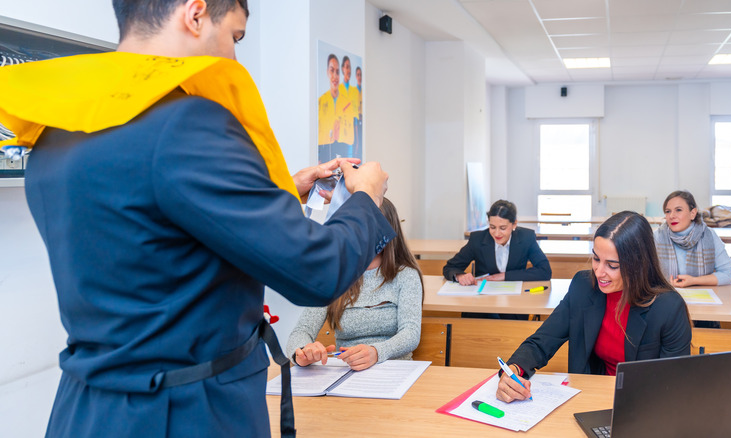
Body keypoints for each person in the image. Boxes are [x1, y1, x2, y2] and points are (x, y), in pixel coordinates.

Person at [1, 1, 393, 437]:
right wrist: (367, 198)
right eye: (235, 36)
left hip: (89, 407)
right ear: (195, 14)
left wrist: (278, 190)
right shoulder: (189, 122)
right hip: (185, 412)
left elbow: (155, 225)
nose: (234, 57)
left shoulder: (57, 130)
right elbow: (317, 271)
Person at [496, 211, 692, 403]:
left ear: (639, 265)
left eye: (612, 265)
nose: (599, 272)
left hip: (643, 403)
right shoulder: (584, 286)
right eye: (596, 259)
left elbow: (673, 384)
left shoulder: (668, 307)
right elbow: (542, 341)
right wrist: (514, 369)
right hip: (590, 396)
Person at [286, 198, 423, 371]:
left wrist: (376, 352)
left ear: (388, 230)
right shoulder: (334, 275)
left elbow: (410, 333)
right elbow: (301, 331)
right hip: (347, 373)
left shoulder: (405, 275)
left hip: (393, 369)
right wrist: (303, 352)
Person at [443, 200, 552, 284]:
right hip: (482, 303)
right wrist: (460, 276)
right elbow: (450, 267)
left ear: (514, 224)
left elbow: (544, 271)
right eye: (492, 227)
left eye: (503, 228)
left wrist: (504, 276)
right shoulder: (478, 239)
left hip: (514, 302)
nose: (497, 233)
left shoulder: (526, 238)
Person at [655, 190, 731, 287]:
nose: (672, 216)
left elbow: (728, 274)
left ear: (692, 213)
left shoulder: (709, 235)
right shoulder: (657, 237)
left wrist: (694, 280)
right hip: (666, 294)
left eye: (678, 210)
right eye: (668, 211)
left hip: (702, 295)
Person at [317, 54, 353, 162]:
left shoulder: (347, 104)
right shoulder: (321, 101)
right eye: (332, 71)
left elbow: (350, 139)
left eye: (337, 72)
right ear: (327, 72)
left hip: (342, 155)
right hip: (324, 156)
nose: (335, 76)